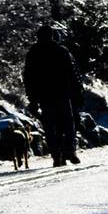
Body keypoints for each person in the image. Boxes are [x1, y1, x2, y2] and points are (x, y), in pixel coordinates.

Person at [24, 25, 84, 167]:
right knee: (68, 124)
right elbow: (72, 73)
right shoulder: (61, 51)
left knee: (50, 128)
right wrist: (78, 92)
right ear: (52, 36)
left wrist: (32, 99)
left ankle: (57, 156)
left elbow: (29, 78)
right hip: (62, 93)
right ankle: (69, 151)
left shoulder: (33, 53)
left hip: (44, 96)